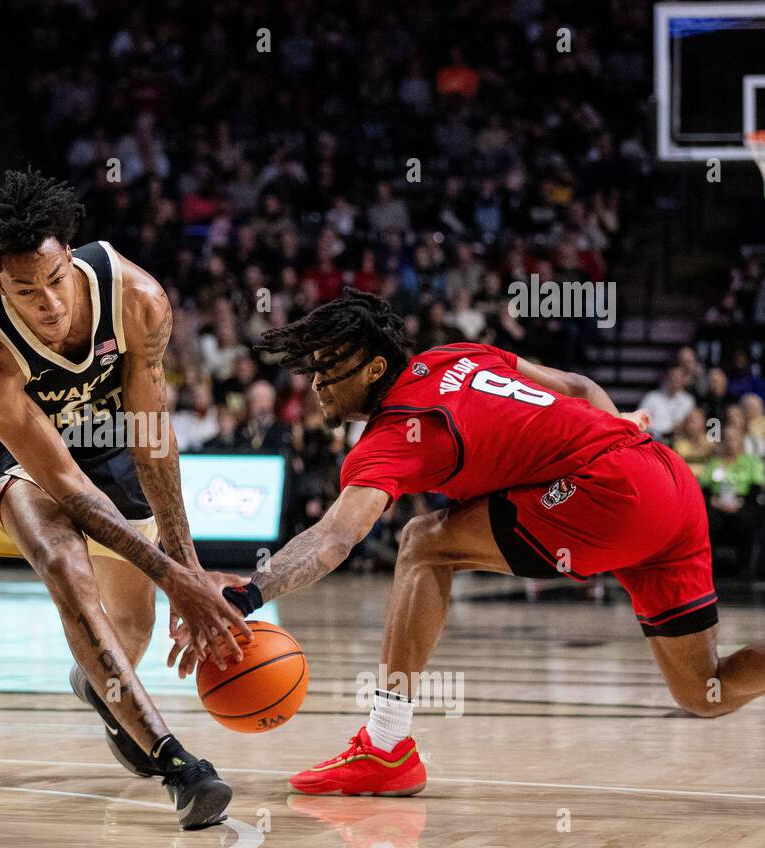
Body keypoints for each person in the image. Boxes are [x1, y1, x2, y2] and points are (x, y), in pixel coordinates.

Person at [172, 289, 759, 798]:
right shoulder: (455, 355)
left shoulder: (391, 435)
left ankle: (385, 746)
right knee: (705, 690)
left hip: (607, 495)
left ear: (375, 369)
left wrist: (247, 595)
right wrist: (616, 433)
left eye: (330, 369)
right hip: (665, 479)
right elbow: (578, 385)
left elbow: (334, 537)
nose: (317, 383)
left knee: (424, 542)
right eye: (313, 370)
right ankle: (384, 750)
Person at [0, 169, 250, 830]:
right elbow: (67, 490)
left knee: (131, 626)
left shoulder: (137, 297)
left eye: (55, 280)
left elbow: (154, 440)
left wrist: (185, 569)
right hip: (32, 461)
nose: (49, 304)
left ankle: (100, 684)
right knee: (67, 574)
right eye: (26, 291)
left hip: (111, 437)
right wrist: (173, 575)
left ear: (68, 254)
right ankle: (180, 766)